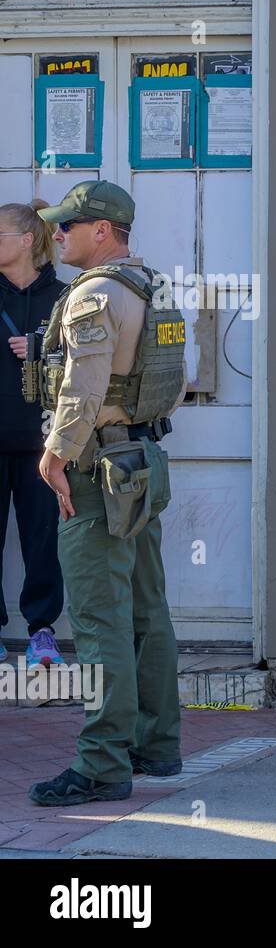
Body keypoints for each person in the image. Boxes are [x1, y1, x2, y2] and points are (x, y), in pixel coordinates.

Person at [27, 180, 188, 806]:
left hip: (97, 471)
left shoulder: (95, 295)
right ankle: (158, 745)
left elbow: (83, 389)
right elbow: (175, 380)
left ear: (103, 231)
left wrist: (56, 455)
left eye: (68, 226)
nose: (57, 235)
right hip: (142, 461)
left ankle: (101, 763)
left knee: (99, 621)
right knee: (148, 610)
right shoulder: (153, 287)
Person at [0, 200, 64, 665]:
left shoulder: (64, 297)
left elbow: (90, 363)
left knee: (43, 542)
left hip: (45, 446)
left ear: (26, 242)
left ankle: (42, 631)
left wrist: (43, 351)